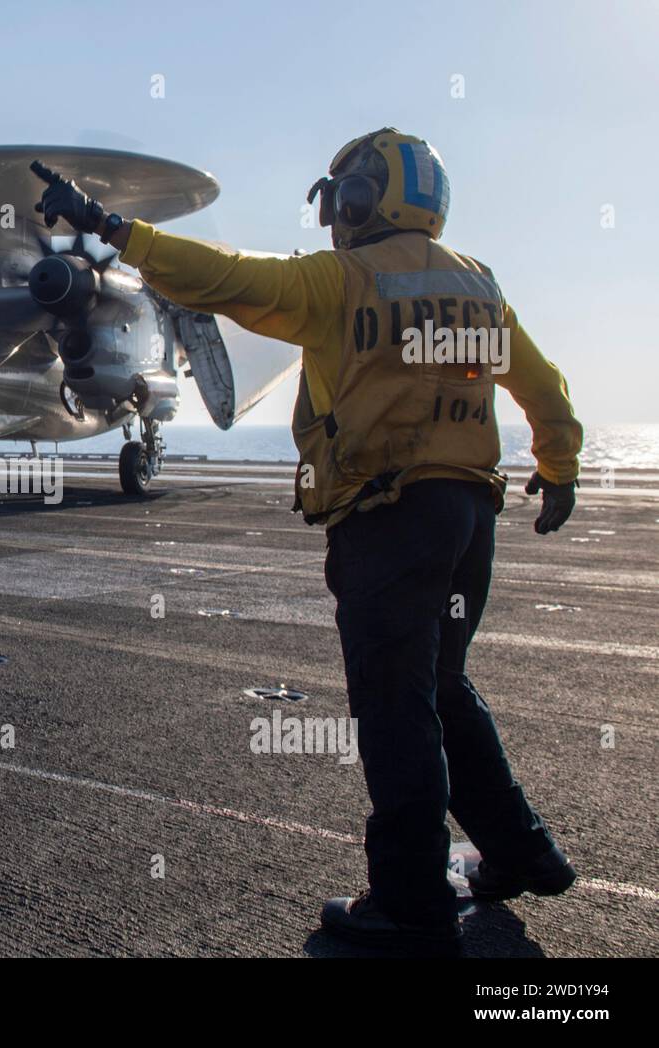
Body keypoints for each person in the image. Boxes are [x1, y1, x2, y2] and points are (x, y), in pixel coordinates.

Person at [34, 130, 582, 951]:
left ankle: (408, 907)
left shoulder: (342, 280)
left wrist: (114, 230)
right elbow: (542, 384)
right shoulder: (479, 286)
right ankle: (520, 851)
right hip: (469, 516)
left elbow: (221, 277)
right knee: (443, 686)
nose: (335, 217)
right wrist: (560, 465)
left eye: (342, 199)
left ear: (364, 201)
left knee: (396, 708)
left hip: (388, 518)